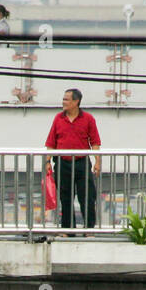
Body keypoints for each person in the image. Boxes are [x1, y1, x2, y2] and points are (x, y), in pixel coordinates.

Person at [45, 88, 101, 230]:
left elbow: (95, 142)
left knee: (87, 197)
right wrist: (47, 161)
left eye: (67, 99)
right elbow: (51, 142)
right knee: (66, 198)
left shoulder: (88, 119)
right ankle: (68, 229)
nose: (63, 102)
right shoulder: (59, 118)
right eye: (63, 99)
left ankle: (89, 228)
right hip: (63, 163)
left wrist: (98, 162)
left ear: (76, 102)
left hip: (82, 163)